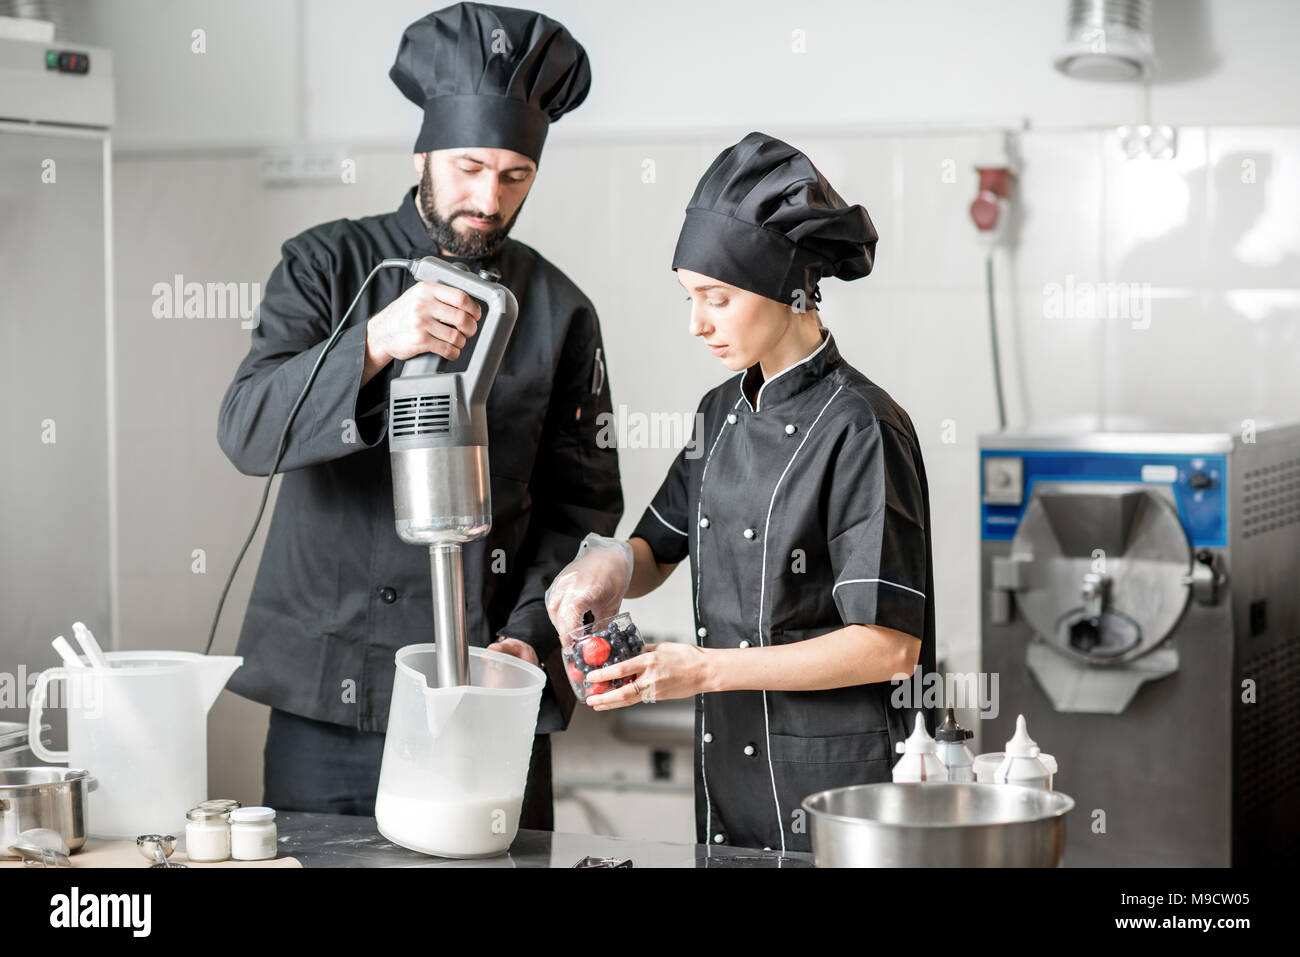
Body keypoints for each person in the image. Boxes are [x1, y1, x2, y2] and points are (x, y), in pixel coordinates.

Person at [217, 3, 622, 828]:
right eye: (469, 167)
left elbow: (582, 511)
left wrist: (528, 643)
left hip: (483, 696)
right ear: (425, 152)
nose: (487, 198)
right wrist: (370, 345)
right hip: (325, 706)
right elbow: (247, 430)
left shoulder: (559, 310)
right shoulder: (325, 265)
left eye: (514, 177)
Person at [545, 132, 936, 853]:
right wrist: (608, 565)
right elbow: (659, 546)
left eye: (716, 299)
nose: (696, 323)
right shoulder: (717, 411)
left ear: (786, 291)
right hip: (728, 779)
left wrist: (702, 670)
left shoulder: (863, 427)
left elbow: (887, 648)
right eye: (690, 298)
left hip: (842, 790)